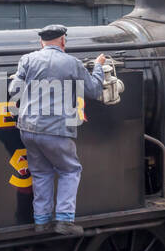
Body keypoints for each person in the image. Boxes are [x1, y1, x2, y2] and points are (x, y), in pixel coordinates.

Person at [10, 24, 107, 236]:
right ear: (63, 41)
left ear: (41, 42)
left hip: (28, 128)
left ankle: (42, 222)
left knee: (40, 173)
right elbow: (93, 90)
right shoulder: (71, 63)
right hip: (55, 129)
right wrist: (98, 66)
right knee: (70, 170)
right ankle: (64, 220)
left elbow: (13, 89)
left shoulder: (27, 60)